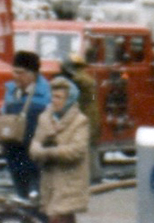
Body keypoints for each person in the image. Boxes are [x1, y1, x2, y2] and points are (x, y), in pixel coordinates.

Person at [30, 75, 91, 223]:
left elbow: (76, 150)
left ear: (69, 100)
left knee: (59, 218)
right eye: (53, 96)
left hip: (69, 183)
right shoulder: (45, 118)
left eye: (59, 97)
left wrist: (49, 152)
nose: (54, 100)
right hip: (49, 183)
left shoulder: (80, 121)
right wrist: (38, 150)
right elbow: (35, 145)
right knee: (62, 218)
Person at [0, 49, 52, 200]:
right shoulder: (10, 90)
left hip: (36, 153)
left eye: (20, 72)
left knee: (37, 198)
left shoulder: (47, 93)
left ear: (33, 74)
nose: (15, 76)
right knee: (21, 195)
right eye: (14, 72)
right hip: (13, 151)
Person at [63, 53, 102, 183]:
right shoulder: (86, 78)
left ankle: (91, 177)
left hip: (86, 116)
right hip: (91, 115)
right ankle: (95, 175)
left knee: (86, 146)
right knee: (91, 146)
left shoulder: (78, 80)